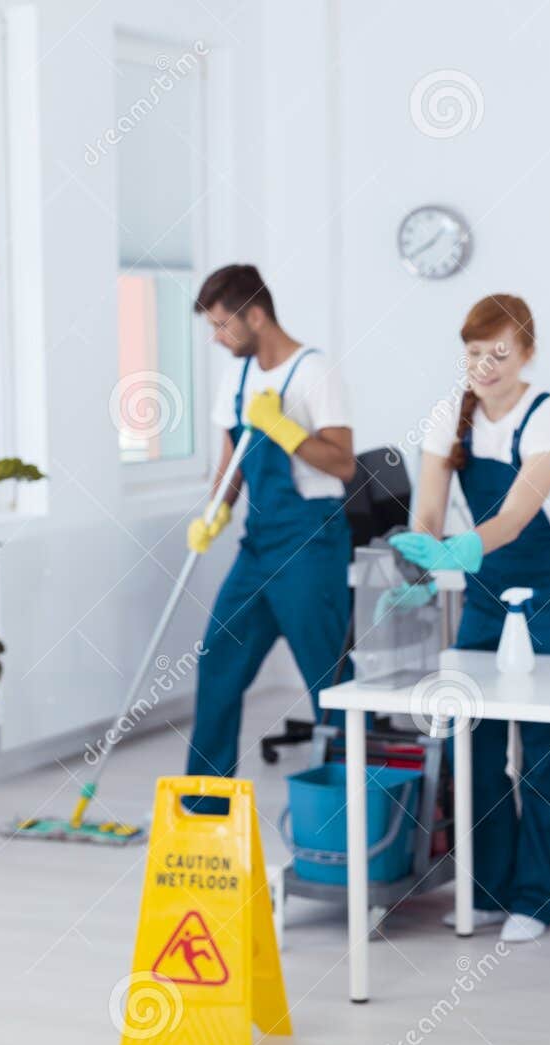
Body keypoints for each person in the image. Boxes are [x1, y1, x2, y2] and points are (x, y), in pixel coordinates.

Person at [389, 294, 550, 943]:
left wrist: (469, 544)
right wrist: (419, 558)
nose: (484, 364)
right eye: (475, 351)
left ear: (526, 354)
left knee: (545, 750)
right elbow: (428, 508)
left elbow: (516, 512)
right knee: (468, 742)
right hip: (485, 595)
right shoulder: (448, 413)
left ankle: (537, 896)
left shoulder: (548, 414)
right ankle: (486, 887)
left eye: (498, 352)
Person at [183, 264, 357, 797]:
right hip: (259, 545)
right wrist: (215, 511)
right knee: (218, 667)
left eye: (221, 325)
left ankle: (360, 803)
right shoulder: (235, 376)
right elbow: (232, 459)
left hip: (311, 542)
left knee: (329, 681)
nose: (216, 337)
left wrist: (285, 429)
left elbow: (344, 464)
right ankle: (205, 807)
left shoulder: (314, 372)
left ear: (254, 315)